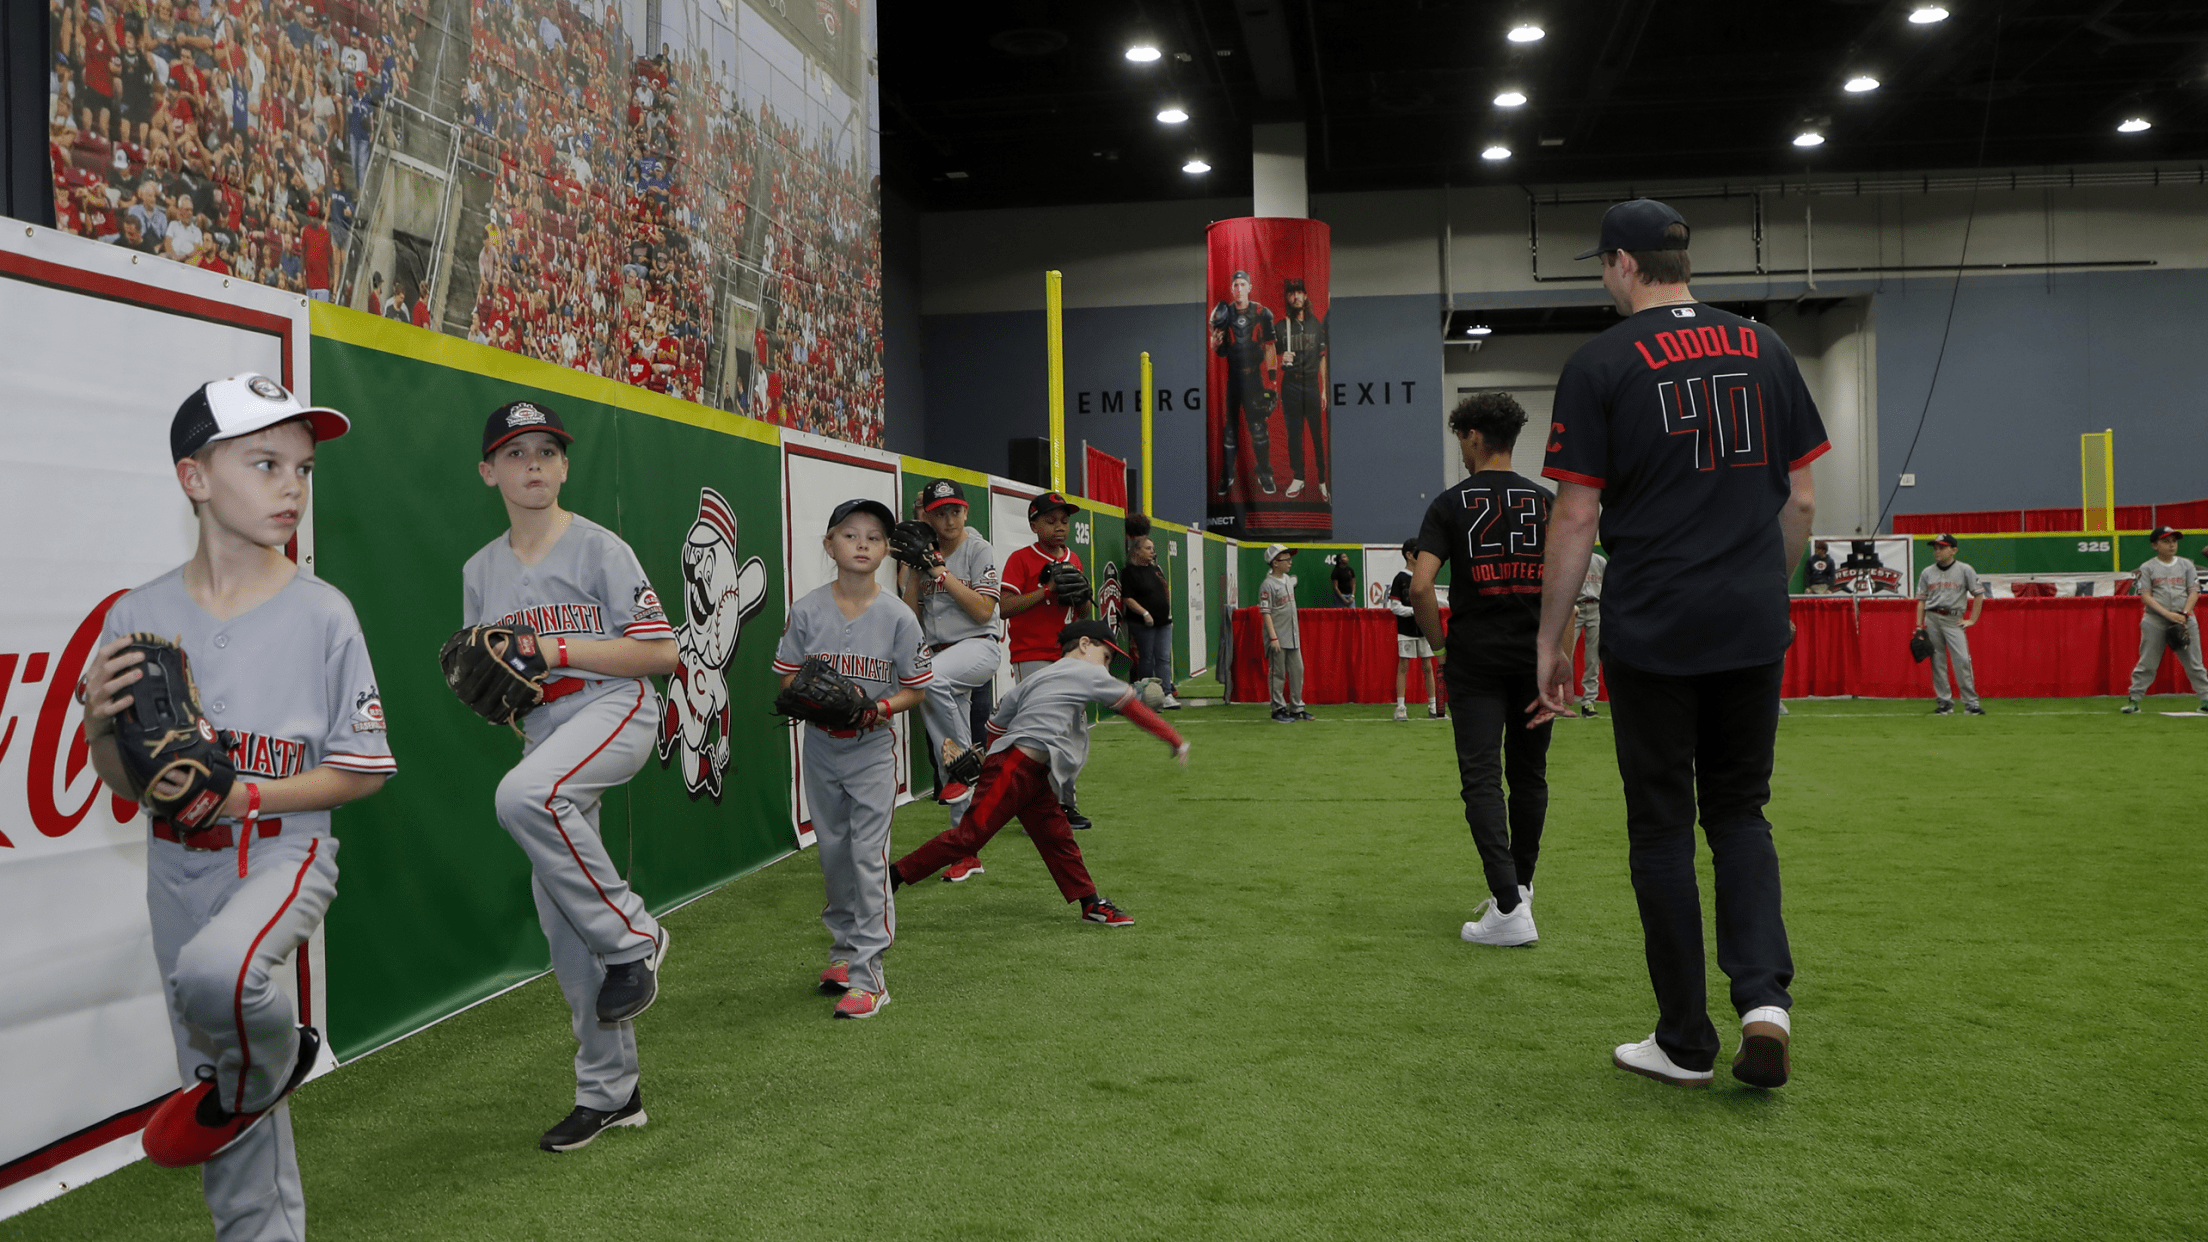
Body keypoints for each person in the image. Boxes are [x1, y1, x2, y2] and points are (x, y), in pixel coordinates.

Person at [81, 374, 393, 1239]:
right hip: (177, 869)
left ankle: (275, 1060)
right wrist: (96, 723)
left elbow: (363, 770)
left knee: (222, 980)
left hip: (286, 850)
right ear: (195, 478)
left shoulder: (323, 612)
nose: (292, 485)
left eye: (303, 468)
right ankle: (252, 1110)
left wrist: (242, 792)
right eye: (265, 463)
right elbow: (122, 777)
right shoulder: (137, 615)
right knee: (230, 1136)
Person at [1533, 198, 1827, 1091]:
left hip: (1654, 622)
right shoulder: (1767, 348)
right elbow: (1803, 501)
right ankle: (1765, 1004)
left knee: (1661, 828)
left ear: (1622, 263)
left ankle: (1685, 1041)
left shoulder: (1599, 364)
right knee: (1741, 813)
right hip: (1749, 621)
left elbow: (1578, 515)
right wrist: (1763, 589)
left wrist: (1550, 642)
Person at [462, 400, 678, 1149]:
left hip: (616, 704)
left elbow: (661, 653)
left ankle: (636, 937)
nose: (534, 465)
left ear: (563, 465)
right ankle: (611, 1093)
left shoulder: (600, 549)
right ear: (488, 471)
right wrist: (503, 703)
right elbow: (491, 681)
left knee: (524, 794)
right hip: (550, 731)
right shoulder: (478, 570)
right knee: (562, 926)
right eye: (516, 453)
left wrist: (554, 651)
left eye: (547, 451)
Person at [890, 621, 1187, 926]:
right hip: (1018, 765)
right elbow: (1133, 708)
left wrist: (992, 759)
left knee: (1057, 836)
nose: (1107, 666)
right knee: (968, 838)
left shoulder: (1037, 677)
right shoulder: (1089, 672)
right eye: (1106, 655)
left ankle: (1091, 904)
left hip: (1028, 770)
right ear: (1085, 644)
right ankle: (892, 877)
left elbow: (996, 725)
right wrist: (1174, 739)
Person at [775, 498, 932, 1018]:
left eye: (874, 536)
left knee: (868, 859)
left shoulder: (898, 617)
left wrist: (876, 706)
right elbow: (786, 676)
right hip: (820, 746)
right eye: (850, 534)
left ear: (887, 550)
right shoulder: (806, 609)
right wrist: (807, 695)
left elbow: (916, 689)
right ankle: (843, 954)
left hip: (871, 749)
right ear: (829, 544)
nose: (862, 543)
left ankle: (870, 975)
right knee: (834, 855)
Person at [1408, 394, 1554, 948]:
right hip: (1533, 657)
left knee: (1482, 779)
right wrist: (1556, 657)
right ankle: (1522, 887)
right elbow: (1567, 589)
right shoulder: (1546, 502)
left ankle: (1510, 905)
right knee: (1530, 776)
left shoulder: (1449, 504)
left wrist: (1441, 646)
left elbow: (1421, 586)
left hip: (1476, 660)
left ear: (1472, 437)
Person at [898, 479, 1001, 840]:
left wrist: (942, 573)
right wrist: (914, 570)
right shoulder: (922, 553)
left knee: (927, 679)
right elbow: (910, 624)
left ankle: (963, 770)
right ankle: (966, 850)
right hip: (941, 658)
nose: (950, 520)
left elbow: (983, 610)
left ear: (966, 511)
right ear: (928, 516)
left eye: (955, 511)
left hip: (979, 646)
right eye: (940, 513)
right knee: (948, 755)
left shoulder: (978, 549)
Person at [1000, 491, 1096, 828]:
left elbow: (1080, 611)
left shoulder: (1074, 559)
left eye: (1064, 521)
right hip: (1031, 654)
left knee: (1073, 731)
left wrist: (1081, 595)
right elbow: (1004, 607)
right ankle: (1041, 807)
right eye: (1051, 520)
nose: (1060, 527)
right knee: (1042, 733)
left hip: (1067, 655)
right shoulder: (1021, 559)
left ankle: (1064, 804)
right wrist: (1047, 591)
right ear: (1033, 524)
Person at [2120, 525, 2206, 713]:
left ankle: (2206, 700)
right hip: (2155, 619)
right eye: (2166, 541)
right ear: (2154, 545)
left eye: (2174, 541)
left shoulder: (2186, 565)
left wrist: (2183, 614)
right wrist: (2168, 615)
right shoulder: (2148, 567)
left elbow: (2194, 592)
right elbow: (2146, 596)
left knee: (2195, 663)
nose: (2171, 545)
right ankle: (2134, 700)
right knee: (2147, 662)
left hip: (2184, 617)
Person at [1208, 270, 1278, 495]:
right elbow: (1223, 351)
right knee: (1230, 431)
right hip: (1234, 379)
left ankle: (1265, 474)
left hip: (1255, 379)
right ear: (1232, 289)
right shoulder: (1224, 313)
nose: (1239, 288)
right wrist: (1215, 346)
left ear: (1250, 287)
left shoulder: (1262, 313)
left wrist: (1273, 382)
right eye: (1235, 285)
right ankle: (1228, 474)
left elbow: (1269, 347)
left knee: (1259, 429)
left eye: (1242, 284)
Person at [1916, 534, 1987, 716]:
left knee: (1962, 660)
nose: (1937, 551)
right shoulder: (1927, 572)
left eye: (1942, 547)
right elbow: (1922, 601)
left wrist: (1972, 619)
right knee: (1937, 662)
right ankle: (1945, 702)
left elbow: (1978, 594)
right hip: (1932, 618)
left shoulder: (1965, 570)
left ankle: (1971, 703)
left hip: (1953, 619)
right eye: (1935, 548)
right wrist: (1918, 626)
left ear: (1953, 550)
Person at [1277, 276, 1329, 500]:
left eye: (1299, 292)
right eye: (1291, 293)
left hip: (1311, 385)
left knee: (1317, 435)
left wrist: (1324, 388)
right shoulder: (1280, 326)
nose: (1296, 296)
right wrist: (1281, 359)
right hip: (1290, 384)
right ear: (1287, 297)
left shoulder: (1315, 324)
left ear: (1306, 295)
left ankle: (1322, 480)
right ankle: (1298, 477)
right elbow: (1270, 351)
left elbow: (1322, 358)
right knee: (1294, 435)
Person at [1122, 532, 1180, 708]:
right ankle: (1146, 695)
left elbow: (1164, 593)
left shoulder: (1156, 570)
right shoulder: (1129, 573)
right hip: (1143, 624)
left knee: (1163, 658)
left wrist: (1168, 616)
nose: (1152, 552)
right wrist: (1145, 613)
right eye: (1148, 548)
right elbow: (1128, 598)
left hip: (1163, 623)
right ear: (1136, 551)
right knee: (1147, 658)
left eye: (1153, 549)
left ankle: (1167, 694)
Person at [1387, 540, 1439, 722]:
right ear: (1409, 555)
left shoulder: (1425, 576)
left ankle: (1434, 707)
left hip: (1424, 629)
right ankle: (1400, 707)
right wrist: (1414, 611)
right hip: (1406, 630)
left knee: (1428, 667)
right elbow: (1394, 606)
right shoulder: (1400, 578)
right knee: (1404, 666)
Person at [1260, 544, 1311, 722]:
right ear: (1275, 562)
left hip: (1293, 636)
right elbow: (1266, 613)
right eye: (1286, 559)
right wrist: (1273, 637)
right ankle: (1278, 709)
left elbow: (1293, 581)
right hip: (1278, 638)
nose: (1290, 562)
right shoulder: (1267, 585)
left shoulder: (1288, 580)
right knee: (1278, 674)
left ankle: (1296, 707)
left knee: (1298, 670)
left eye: (1290, 558)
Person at [1566, 551, 1609, 717]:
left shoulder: (1600, 561)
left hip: (1595, 608)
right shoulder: (1568, 559)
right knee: (1565, 655)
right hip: (1573, 607)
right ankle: (1560, 700)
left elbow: (1607, 586)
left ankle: (1588, 702)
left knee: (1593, 657)